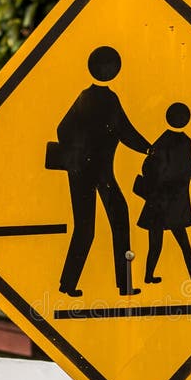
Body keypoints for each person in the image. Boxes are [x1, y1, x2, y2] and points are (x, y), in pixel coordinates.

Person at [49, 46, 149, 297]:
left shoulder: (106, 98)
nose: (107, 70)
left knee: (115, 221)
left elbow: (126, 131)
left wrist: (148, 148)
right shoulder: (91, 98)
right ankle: (71, 285)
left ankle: (120, 285)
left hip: (97, 173)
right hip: (86, 173)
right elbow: (63, 129)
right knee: (89, 228)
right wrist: (82, 153)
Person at [136, 102, 191, 283]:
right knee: (181, 241)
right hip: (173, 202)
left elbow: (147, 167)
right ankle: (190, 272)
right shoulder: (184, 142)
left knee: (157, 243)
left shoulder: (161, 141)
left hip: (158, 202)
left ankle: (149, 276)